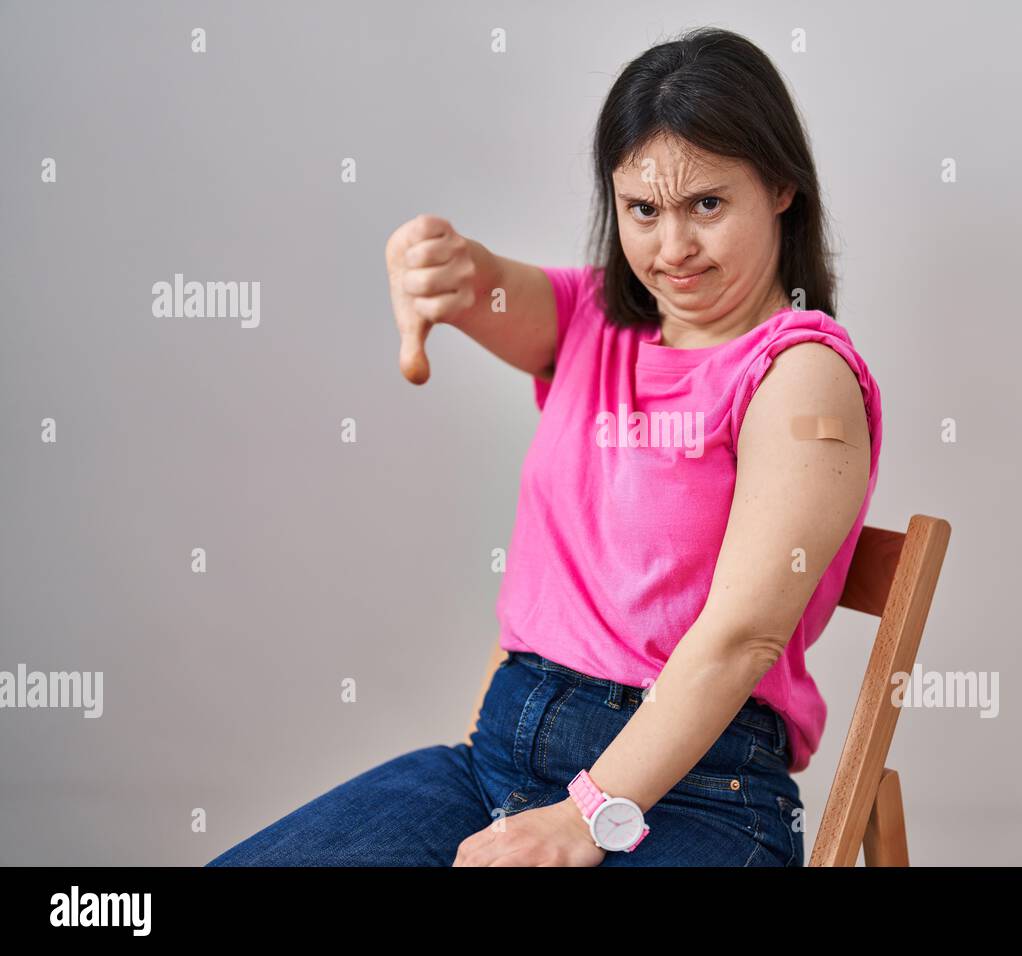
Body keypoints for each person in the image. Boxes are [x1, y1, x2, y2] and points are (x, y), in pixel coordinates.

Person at [206, 25, 883, 868]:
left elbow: (742, 636)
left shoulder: (799, 376)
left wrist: (586, 815)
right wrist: (434, 264)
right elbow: (479, 280)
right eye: (643, 210)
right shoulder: (590, 321)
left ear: (781, 186)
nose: (671, 249)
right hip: (497, 757)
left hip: (698, 792)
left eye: (706, 204)